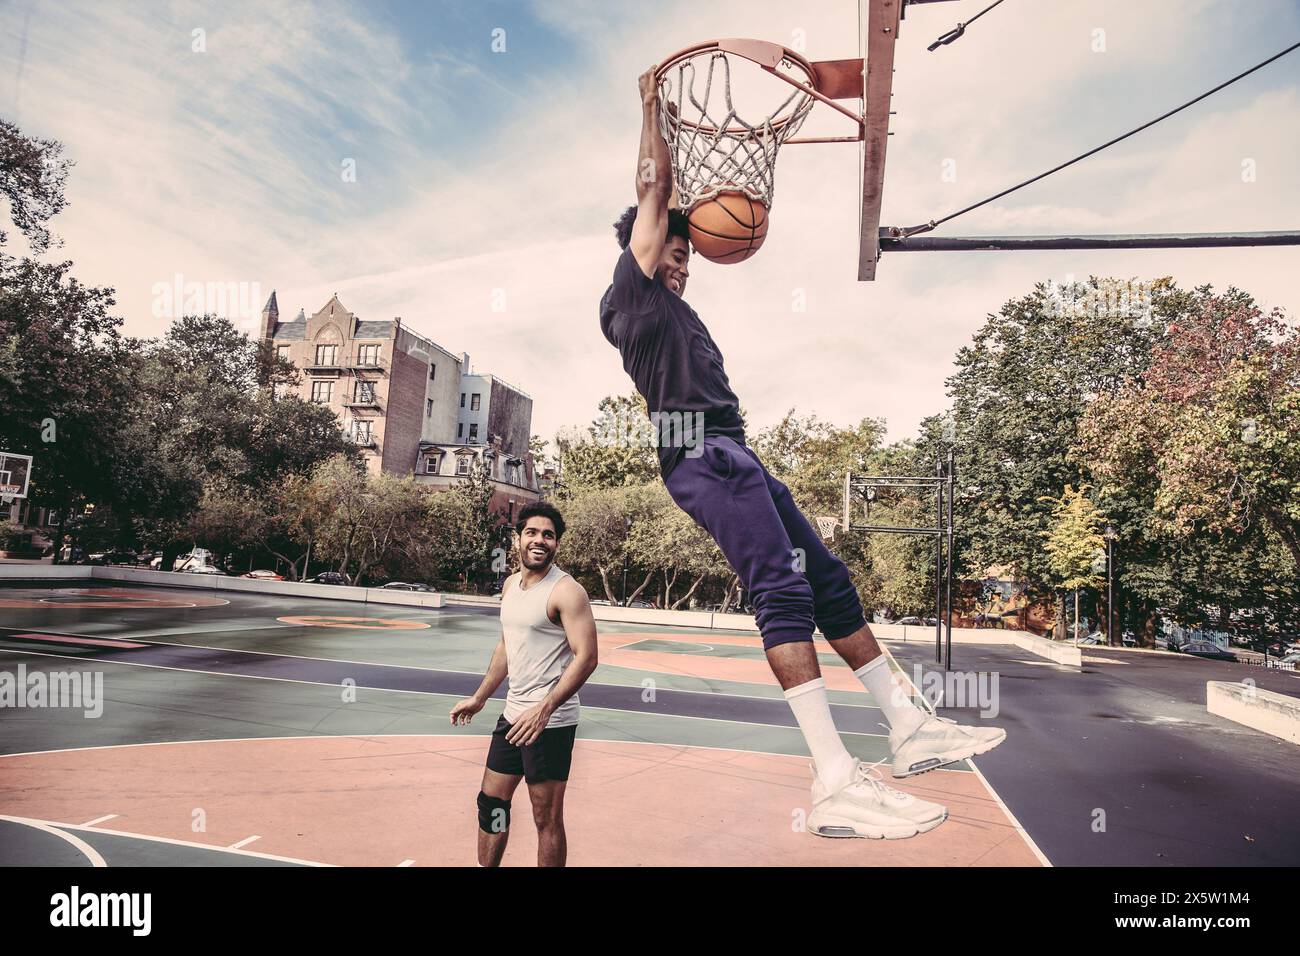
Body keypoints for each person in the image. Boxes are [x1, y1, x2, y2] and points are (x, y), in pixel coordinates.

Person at [595, 66, 1006, 840]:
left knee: (826, 579)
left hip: (734, 452)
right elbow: (653, 186)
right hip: (700, 455)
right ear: (650, 251)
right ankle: (834, 777)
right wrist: (651, 107)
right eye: (674, 249)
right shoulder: (632, 295)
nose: (683, 260)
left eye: (686, 252)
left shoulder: (682, 316)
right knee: (781, 594)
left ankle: (907, 727)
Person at [450, 502, 598, 866]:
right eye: (532, 532)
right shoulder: (511, 586)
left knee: (545, 818)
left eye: (548, 535)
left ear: (556, 544)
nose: (539, 540)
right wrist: (480, 697)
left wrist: (545, 710)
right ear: (517, 539)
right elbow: (506, 645)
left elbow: (587, 657)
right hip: (513, 716)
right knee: (492, 804)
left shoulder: (566, 592)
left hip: (549, 724)